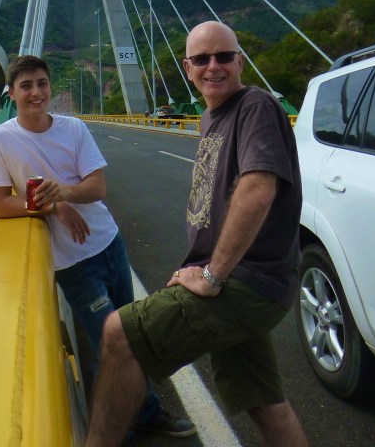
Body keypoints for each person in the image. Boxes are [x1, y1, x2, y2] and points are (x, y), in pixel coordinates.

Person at [86, 22, 309, 447]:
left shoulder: (256, 105)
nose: (214, 66)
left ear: (240, 61)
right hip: (242, 283)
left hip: (245, 283)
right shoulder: (210, 117)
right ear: (187, 68)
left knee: (119, 333)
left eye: (224, 56)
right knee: (266, 403)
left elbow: (258, 189)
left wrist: (211, 276)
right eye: (202, 59)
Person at [0, 55, 195, 440]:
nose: (36, 92)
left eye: (42, 83)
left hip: (109, 243)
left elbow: (97, 188)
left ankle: (142, 413)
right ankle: (124, 427)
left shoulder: (73, 128)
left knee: (131, 335)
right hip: (71, 263)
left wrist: (64, 192)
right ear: (11, 94)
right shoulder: (0, 139)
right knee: (113, 342)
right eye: (26, 85)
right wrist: (55, 205)